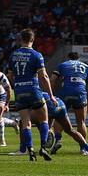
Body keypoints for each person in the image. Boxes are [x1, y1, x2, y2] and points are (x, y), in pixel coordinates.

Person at [8, 28, 55, 162]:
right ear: (33, 40)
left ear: (21, 40)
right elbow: (43, 76)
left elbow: (10, 75)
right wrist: (51, 95)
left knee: (26, 123)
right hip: (33, 89)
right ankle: (43, 147)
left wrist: (16, 86)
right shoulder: (36, 55)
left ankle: (31, 150)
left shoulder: (13, 55)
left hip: (19, 91)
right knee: (44, 119)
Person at [51, 51, 88, 144]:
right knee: (81, 122)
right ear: (78, 58)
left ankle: (58, 140)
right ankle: (84, 148)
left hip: (65, 93)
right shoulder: (86, 67)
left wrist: (52, 95)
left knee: (59, 118)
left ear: (68, 58)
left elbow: (52, 80)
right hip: (80, 93)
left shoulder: (63, 65)